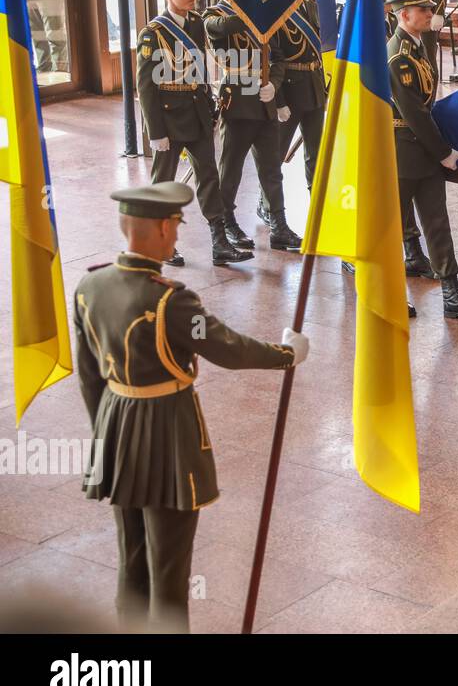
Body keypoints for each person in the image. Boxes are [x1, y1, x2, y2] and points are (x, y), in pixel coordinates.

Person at [74, 181, 307, 631]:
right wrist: (286, 354)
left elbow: (89, 378)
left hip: (116, 430)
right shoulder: (168, 300)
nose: (178, 237)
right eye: (176, 226)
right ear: (161, 228)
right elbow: (229, 349)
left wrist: (105, 439)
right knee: (170, 569)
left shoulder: (90, 286)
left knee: (133, 558)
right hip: (166, 435)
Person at [385, 0, 458, 320]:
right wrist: (444, 151)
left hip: (423, 151)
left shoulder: (417, 46)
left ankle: (451, 293)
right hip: (402, 153)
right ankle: (387, 294)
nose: (431, 13)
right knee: (390, 229)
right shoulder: (398, 56)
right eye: (424, 10)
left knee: (437, 222)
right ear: (405, 14)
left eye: (431, 8)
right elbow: (413, 112)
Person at [135, 0, 246, 268]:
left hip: (196, 115)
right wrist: (155, 132)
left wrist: (210, 108)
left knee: (209, 177)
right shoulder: (152, 33)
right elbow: (145, 87)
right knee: (164, 184)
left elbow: (199, 70)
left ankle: (220, 242)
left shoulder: (196, 23)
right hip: (169, 120)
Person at [204, 0, 301, 254]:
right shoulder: (213, 16)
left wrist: (273, 82)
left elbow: (279, 56)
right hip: (237, 103)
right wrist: (256, 8)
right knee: (230, 169)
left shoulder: (261, 16)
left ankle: (278, 225)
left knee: (272, 168)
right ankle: (226, 222)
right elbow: (224, 27)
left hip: (264, 102)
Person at [269, 0, 327, 207]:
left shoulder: (311, 3)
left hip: (313, 87)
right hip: (290, 90)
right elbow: (273, 58)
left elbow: (316, 49)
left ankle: (317, 202)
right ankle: (268, 204)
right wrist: (278, 101)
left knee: (316, 151)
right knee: (276, 155)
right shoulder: (276, 10)